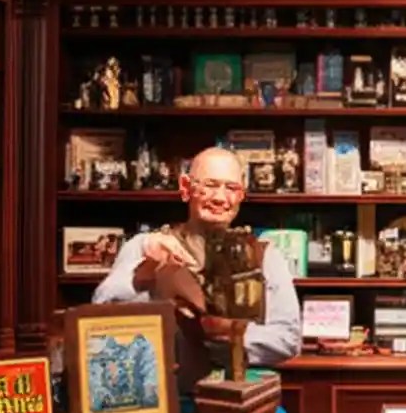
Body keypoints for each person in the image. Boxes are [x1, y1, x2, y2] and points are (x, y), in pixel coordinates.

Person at [92, 147, 302, 368]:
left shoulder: (266, 256)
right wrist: (146, 272)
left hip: (236, 391)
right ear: (186, 188)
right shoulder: (147, 246)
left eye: (231, 188)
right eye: (210, 185)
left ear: (241, 196)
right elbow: (99, 313)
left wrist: (227, 332)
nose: (220, 198)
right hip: (165, 391)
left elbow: (288, 339)